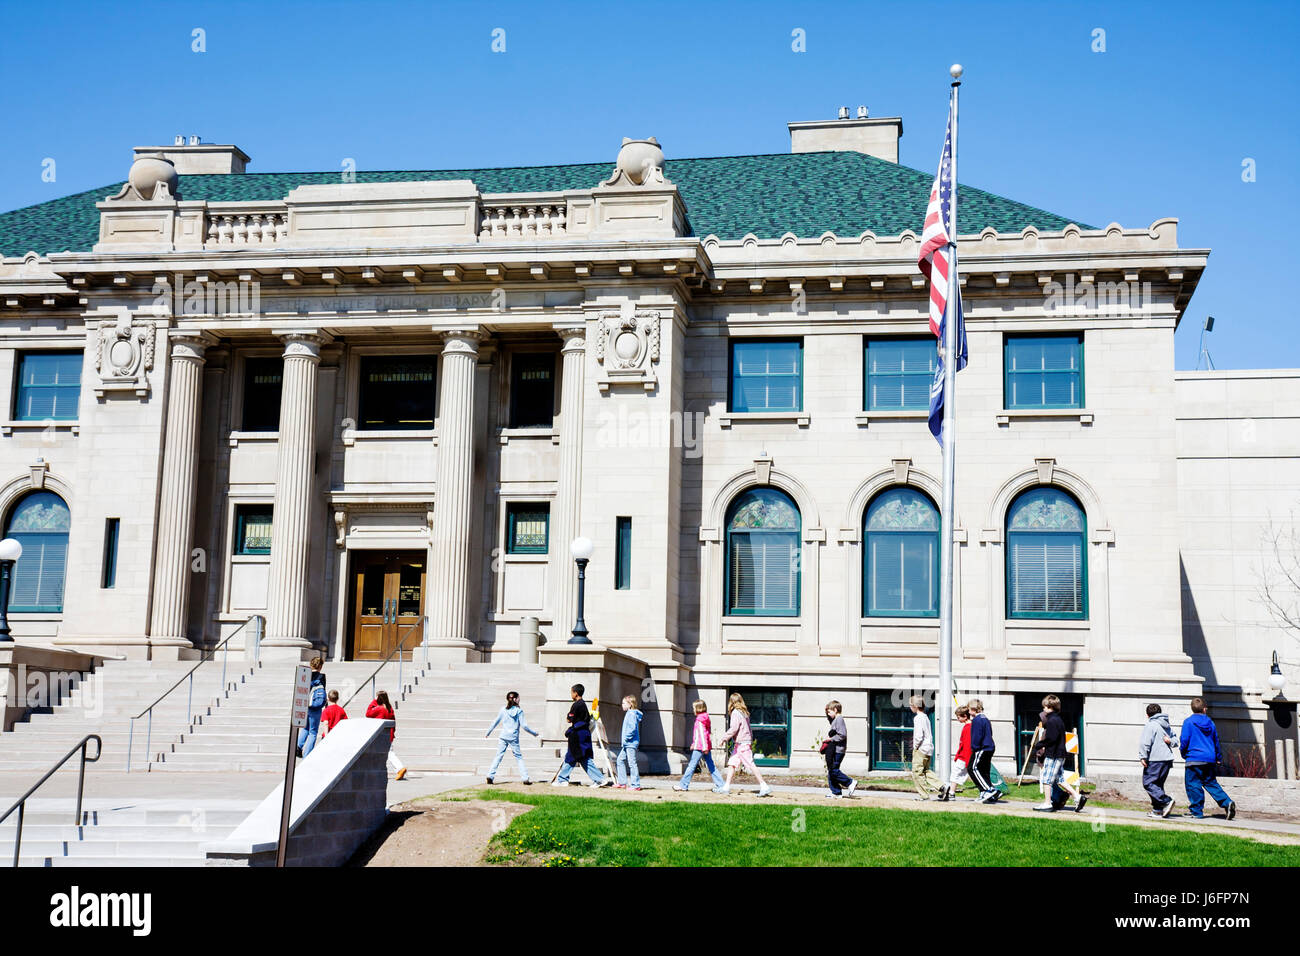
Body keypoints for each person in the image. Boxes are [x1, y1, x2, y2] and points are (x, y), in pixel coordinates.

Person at [1180, 698, 1236, 820]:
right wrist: (1218, 757)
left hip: (1194, 758)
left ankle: (1196, 811)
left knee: (1193, 784)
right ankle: (1227, 802)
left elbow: (1184, 740)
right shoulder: (1210, 723)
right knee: (1210, 782)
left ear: (1192, 708)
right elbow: (1216, 740)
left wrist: (1183, 753)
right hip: (1209, 758)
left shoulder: (1188, 722)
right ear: (1204, 709)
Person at [1031, 695, 1086, 812]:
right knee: (1059, 779)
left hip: (1053, 754)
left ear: (1050, 707)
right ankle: (1078, 797)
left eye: (1045, 706)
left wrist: (1039, 745)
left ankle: (1047, 803)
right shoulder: (1058, 719)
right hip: (1059, 754)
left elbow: (1051, 738)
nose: (1043, 709)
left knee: (1046, 779)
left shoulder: (1052, 721)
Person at [716, 693, 773, 797]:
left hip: (741, 744)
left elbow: (734, 728)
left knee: (751, 764)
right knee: (732, 764)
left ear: (731, 702)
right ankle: (726, 787)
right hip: (742, 743)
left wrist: (724, 738)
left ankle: (764, 786)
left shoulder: (735, 713)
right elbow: (749, 729)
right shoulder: (744, 713)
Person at [553, 684, 610, 787]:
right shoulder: (583, 705)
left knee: (572, 757)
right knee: (580, 758)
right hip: (583, 735)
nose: (571, 694)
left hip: (577, 736)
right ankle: (598, 779)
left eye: (571, 692)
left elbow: (568, 719)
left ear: (576, 693)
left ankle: (563, 780)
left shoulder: (577, 705)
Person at [485, 690, 539, 785]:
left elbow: (495, 721)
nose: (519, 700)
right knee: (519, 757)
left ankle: (490, 775)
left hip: (503, 736)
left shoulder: (503, 709)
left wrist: (488, 732)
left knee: (498, 756)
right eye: (518, 698)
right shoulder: (519, 711)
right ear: (515, 699)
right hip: (513, 737)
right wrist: (534, 733)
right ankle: (525, 778)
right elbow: (524, 726)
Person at [673, 699, 725, 792]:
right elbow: (703, 734)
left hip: (701, 747)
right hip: (704, 746)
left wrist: (702, 746)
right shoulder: (705, 718)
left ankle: (683, 785)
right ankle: (721, 785)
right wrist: (696, 744)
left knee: (691, 766)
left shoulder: (700, 720)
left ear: (698, 709)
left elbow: (702, 734)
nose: (693, 710)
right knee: (711, 766)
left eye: (694, 708)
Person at [1139, 703, 1178, 818]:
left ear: (1147, 715)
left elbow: (1145, 742)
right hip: (1167, 760)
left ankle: (1166, 801)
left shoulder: (1150, 725)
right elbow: (1176, 740)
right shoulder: (1166, 725)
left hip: (1155, 759)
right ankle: (1157, 810)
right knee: (1158, 785)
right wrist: (1170, 741)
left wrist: (1143, 756)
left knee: (1148, 783)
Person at [366, 690, 406, 780]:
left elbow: (368, 714)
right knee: (388, 753)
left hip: (380, 734)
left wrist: (373, 702)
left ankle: (399, 768)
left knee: (384, 753)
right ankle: (398, 768)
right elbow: (394, 721)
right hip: (389, 734)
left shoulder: (379, 708)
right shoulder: (389, 708)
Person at [967, 698, 1000, 804]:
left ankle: (989, 789)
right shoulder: (985, 718)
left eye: (969, 709)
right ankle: (986, 792)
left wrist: (974, 747)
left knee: (972, 768)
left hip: (982, 748)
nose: (968, 712)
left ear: (973, 709)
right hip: (989, 747)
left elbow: (977, 736)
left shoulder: (977, 720)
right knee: (984, 770)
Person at [909, 694, 941, 799]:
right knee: (926, 771)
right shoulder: (926, 717)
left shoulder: (918, 718)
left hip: (921, 749)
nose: (910, 707)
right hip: (928, 748)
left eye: (910, 705)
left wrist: (915, 747)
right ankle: (941, 786)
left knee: (917, 772)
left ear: (915, 706)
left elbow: (919, 735)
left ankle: (924, 796)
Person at [823, 700, 857, 798]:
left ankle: (850, 782)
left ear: (835, 710)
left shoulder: (839, 719)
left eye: (829, 712)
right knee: (831, 770)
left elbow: (842, 735)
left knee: (833, 770)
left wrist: (830, 739)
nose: (828, 714)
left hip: (838, 750)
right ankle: (836, 792)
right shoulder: (835, 720)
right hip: (836, 749)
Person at [937, 704, 971, 801]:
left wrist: (962, 757)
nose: (957, 719)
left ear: (965, 716)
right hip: (962, 756)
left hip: (964, 756)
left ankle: (951, 793)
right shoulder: (967, 727)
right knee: (957, 774)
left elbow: (966, 745)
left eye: (958, 717)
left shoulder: (968, 728)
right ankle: (951, 792)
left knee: (955, 774)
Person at [296, 657, 327, 758]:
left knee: (305, 728)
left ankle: (298, 747)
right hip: (315, 707)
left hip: (305, 705)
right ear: (320, 666)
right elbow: (322, 693)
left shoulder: (305, 675)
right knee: (313, 732)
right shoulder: (321, 677)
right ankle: (307, 754)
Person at [616, 695, 644, 790]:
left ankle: (635, 785)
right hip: (627, 743)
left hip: (630, 743)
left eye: (624, 703)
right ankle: (622, 782)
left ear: (630, 704)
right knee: (620, 760)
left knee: (632, 763)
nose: (622, 705)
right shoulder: (629, 713)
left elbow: (632, 729)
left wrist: (626, 738)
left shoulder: (631, 714)